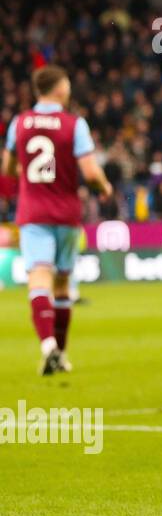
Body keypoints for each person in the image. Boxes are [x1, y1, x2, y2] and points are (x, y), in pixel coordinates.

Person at [2, 65, 112, 374]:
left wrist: (27, 175)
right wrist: (104, 187)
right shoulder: (74, 124)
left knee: (39, 275)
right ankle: (60, 353)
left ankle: (48, 345)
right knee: (62, 283)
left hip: (33, 211)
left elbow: (8, 167)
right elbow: (90, 172)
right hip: (66, 212)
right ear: (61, 89)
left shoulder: (20, 123)